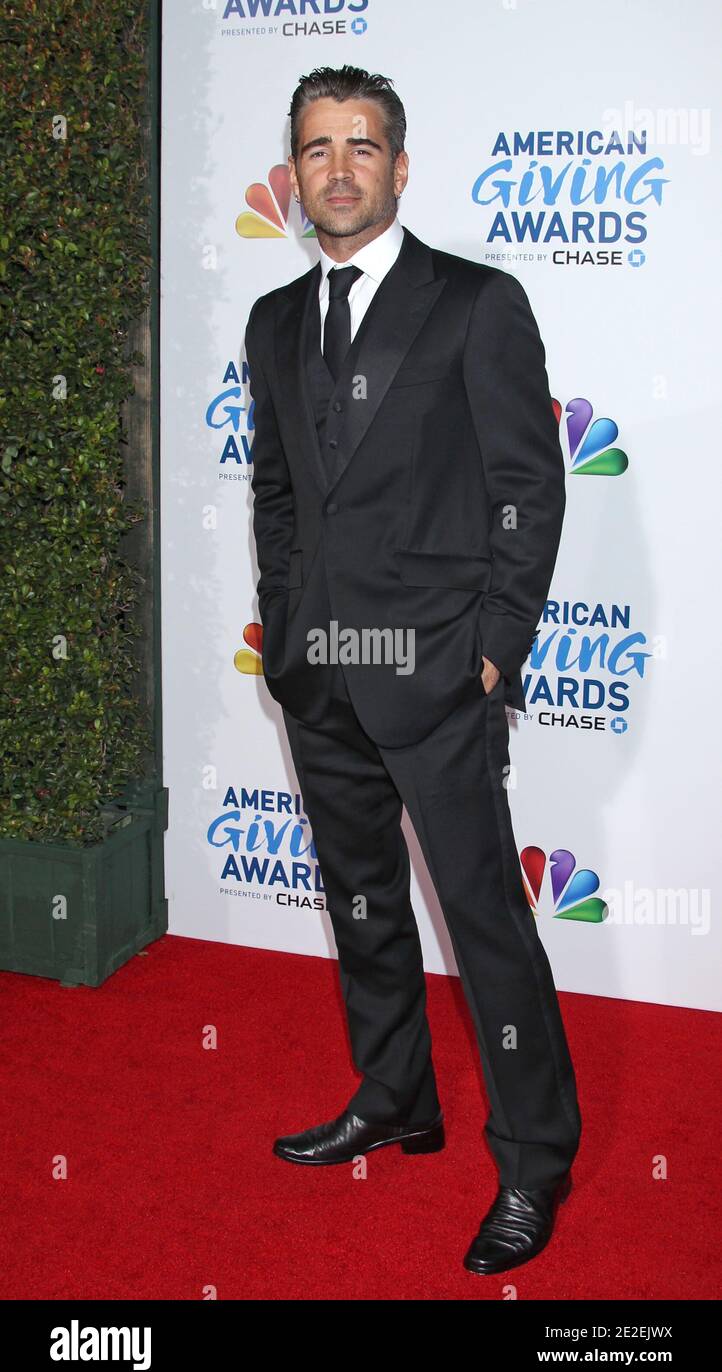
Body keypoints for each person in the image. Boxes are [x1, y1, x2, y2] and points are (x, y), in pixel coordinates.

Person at [244, 64, 581, 1276]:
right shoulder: (274, 320)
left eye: (361, 146)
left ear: (399, 165)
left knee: (485, 925)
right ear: (294, 175)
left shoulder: (473, 303)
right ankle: (395, 1095)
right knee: (365, 908)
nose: (338, 168)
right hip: (321, 671)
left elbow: (524, 490)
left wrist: (491, 649)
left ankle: (534, 1159)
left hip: (436, 673)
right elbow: (278, 494)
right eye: (317, 149)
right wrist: (284, 625)